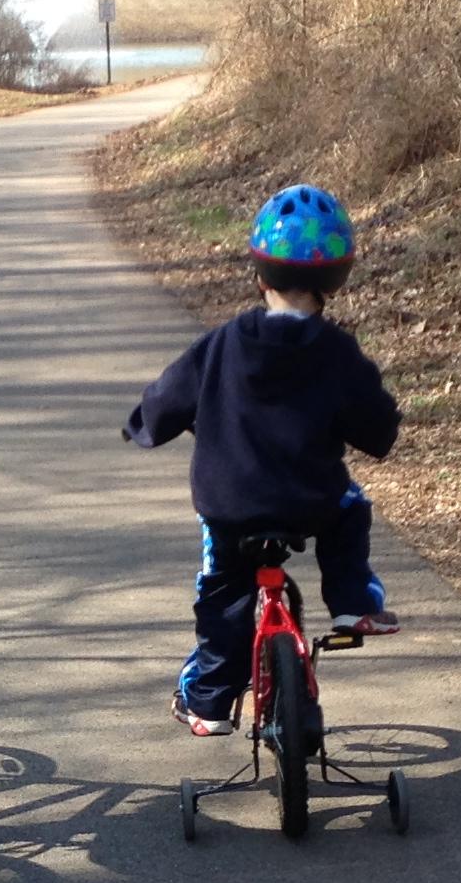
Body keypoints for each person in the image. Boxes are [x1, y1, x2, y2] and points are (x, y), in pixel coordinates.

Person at [123, 182, 402, 735]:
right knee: (352, 506)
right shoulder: (337, 352)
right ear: (334, 281)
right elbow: (376, 425)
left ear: (259, 274)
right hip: (311, 500)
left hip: (231, 506)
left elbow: (167, 398)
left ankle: (207, 702)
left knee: (224, 594)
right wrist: (378, 432)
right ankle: (350, 602)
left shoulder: (222, 344)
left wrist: (144, 425)